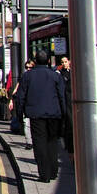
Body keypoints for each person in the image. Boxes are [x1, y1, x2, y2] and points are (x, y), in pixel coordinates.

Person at [15, 51, 67, 182]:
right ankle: (53, 172)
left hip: (36, 114)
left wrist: (19, 115)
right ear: (48, 61)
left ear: (35, 62)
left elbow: (20, 97)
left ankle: (44, 174)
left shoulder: (27, 76)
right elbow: (62, 96)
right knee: (52, 142)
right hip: (54, 114)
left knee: (39, 144)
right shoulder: (55, 76)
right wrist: (64, 114)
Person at [57, 57, 74, 154]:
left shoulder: (72, 73)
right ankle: (66, 143)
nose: (64, 64)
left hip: (71, 101)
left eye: (65, 62)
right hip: (64, 101)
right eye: (62, 62)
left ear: (69, 62)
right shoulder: (59, 74)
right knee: (66, 123)